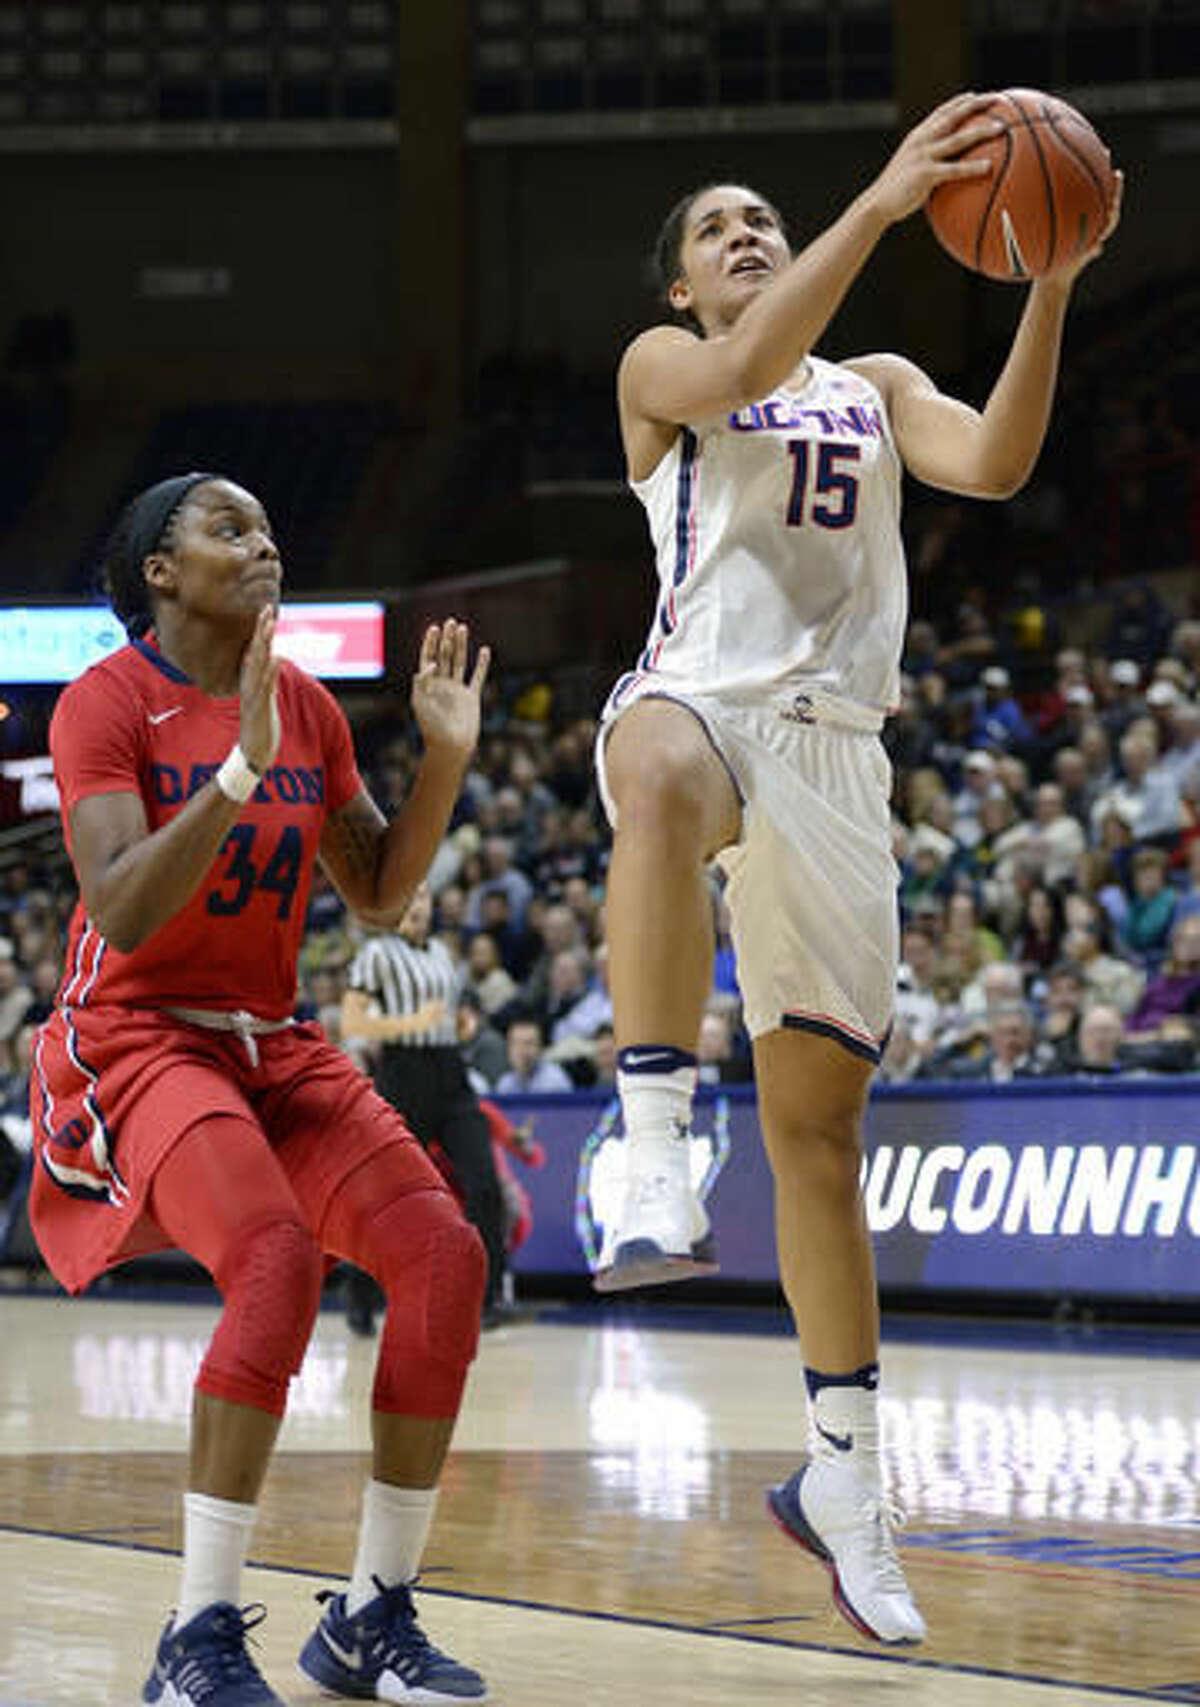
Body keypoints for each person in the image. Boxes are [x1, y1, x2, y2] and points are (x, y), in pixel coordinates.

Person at [591, 93, 1122, 1649]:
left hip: (840, 755)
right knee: (662, 769)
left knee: (822, 1140)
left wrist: (1051, 276)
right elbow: (749, 367)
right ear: (681, 285)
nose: (747, 231)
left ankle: (846, 1474)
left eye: (765, 213)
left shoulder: (877, 383)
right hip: (703, 695)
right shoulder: (667, 368)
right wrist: (886, 204)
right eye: (718, 227)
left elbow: (1003, 463)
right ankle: (647, 1142)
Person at [28, 472, 492, 1707]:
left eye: (269, 523)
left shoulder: (302, 704)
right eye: (226, 527)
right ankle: (195, 1637)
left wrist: (443, 758)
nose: (263, 541)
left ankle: (369, 1616)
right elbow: (121, 909)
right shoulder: (103, 704)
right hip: (136, 1036)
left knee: (446, 1256)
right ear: (161, 573)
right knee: (277, 1260)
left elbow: (382, 890)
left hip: (267, 1039)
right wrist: (237, 773)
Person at [339, 882, 508, 1336]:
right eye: (408, 899)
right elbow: (353, 1021)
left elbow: (451, 1018)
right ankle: (360, 1292)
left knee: (484, 1185)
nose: (416, 906)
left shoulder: (443, 956)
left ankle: (488, 1296)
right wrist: (411, 1023)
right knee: (385, 1193)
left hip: (450, 1075)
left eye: (423, 898)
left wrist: (462, 1024)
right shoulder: (377, 954)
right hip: (402, 1073)